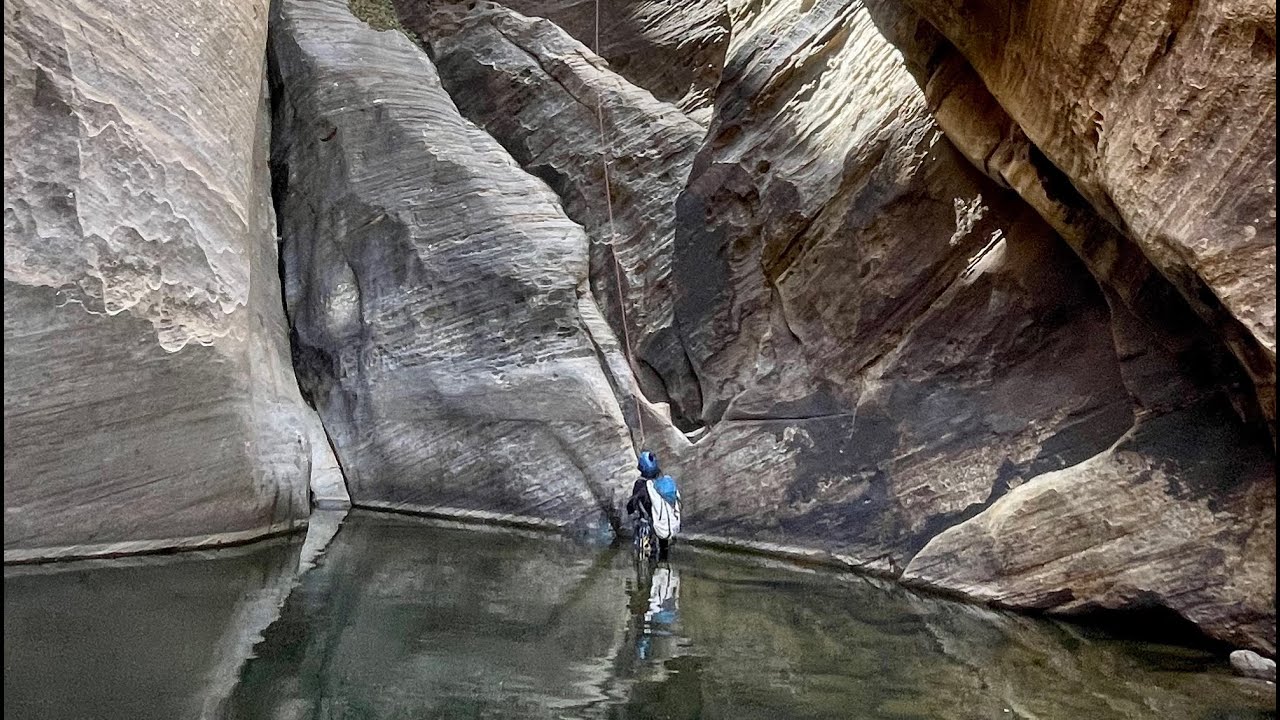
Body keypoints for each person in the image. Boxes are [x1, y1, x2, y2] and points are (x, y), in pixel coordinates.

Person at [626, 450, 681, 560]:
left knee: (644, 562)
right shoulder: (666, 483)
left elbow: (631, 506)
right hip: (665, 530)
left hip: (648, 531)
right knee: (664, 556)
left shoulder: (641, 485)